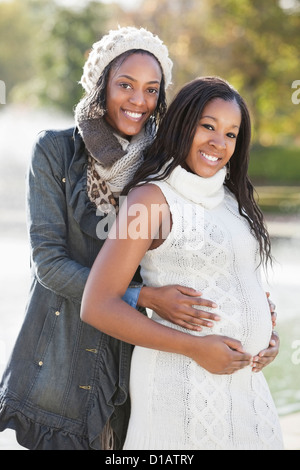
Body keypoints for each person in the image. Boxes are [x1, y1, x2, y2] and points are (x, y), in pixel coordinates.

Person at [0, 26, 278, 450]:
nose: (138, 100)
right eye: (125, 85)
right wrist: (142, 296)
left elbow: (198, 253)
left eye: (151, 89)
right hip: (67, 344)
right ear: (101, 85)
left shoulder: (163, 160)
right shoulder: (57, 152)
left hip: (137, 353)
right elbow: (49, 262)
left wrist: (260, 316)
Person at [80, 76, 284, 450]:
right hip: (180, 384)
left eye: (231, 134)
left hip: (246, 382)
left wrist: (266, 336)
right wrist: (194, 347)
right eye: (208, 126)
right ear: (183, 125)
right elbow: (97, 305)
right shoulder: (151, 200)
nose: (218, 143)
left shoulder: (232, 200)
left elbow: (238, 282)